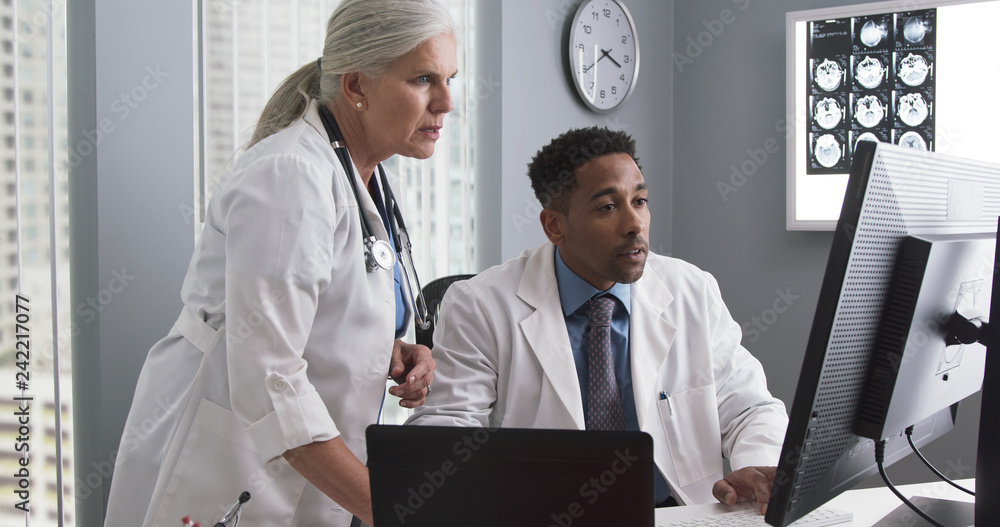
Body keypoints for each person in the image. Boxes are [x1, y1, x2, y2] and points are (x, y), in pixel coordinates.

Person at [103, 1, 456, 525]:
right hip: (228, 468)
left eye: (450, 78)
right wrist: (390, 509)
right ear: (356, 86)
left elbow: (318, 314)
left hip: (303, 469)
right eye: (424, 79)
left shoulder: (368, 175)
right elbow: (270, 379)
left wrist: (392, 349)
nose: (446, 102)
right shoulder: (290, 177)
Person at [407, 127, 789, 514]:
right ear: (555, 225)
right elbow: (447, 431)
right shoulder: (481, 306)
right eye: (608, 207)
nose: (634, 224)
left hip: (676, 514)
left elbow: (750, 408)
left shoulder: (693, 290)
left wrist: (757, 464)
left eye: (639, 201)